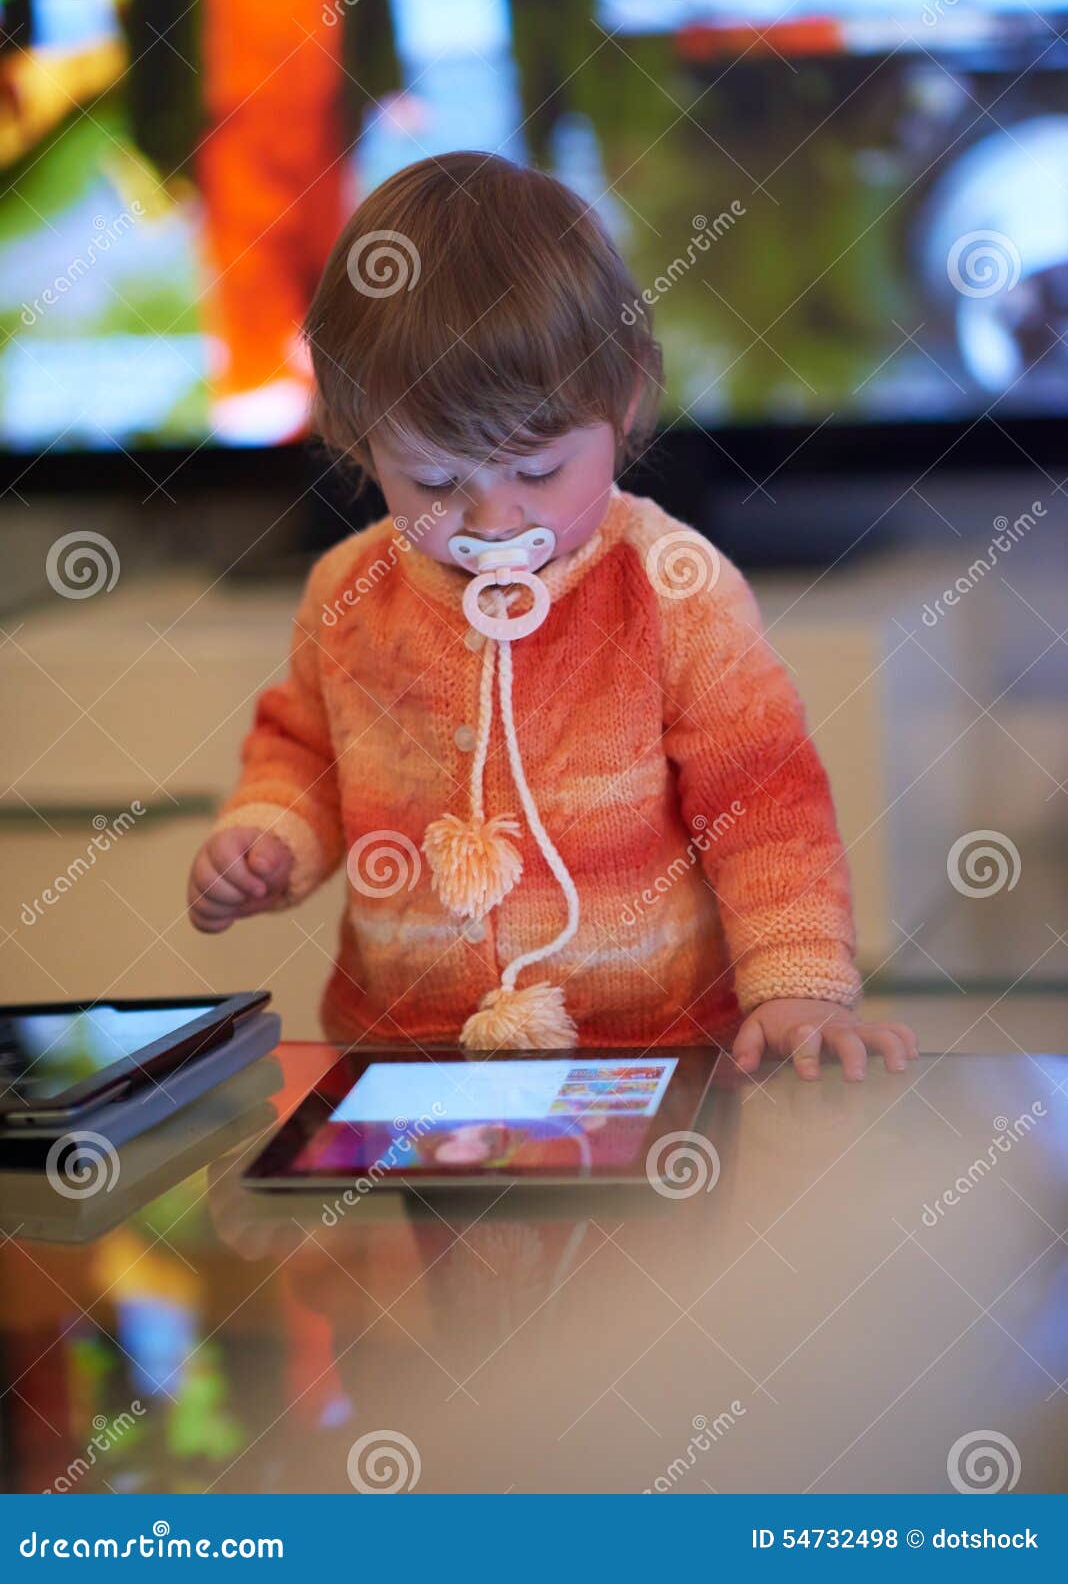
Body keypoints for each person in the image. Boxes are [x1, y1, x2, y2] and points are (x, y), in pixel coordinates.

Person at [187, 151, 917, 1081]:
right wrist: (268, 834)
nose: (495, 519)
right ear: (358, 442)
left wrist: (798, 984)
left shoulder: (672, 586)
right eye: (436, 482)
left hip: (661, 1058)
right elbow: (303, 752)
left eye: (538, 473)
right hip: (408, 1063)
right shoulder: (348, 590)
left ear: (624, 403)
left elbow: (762, 801)